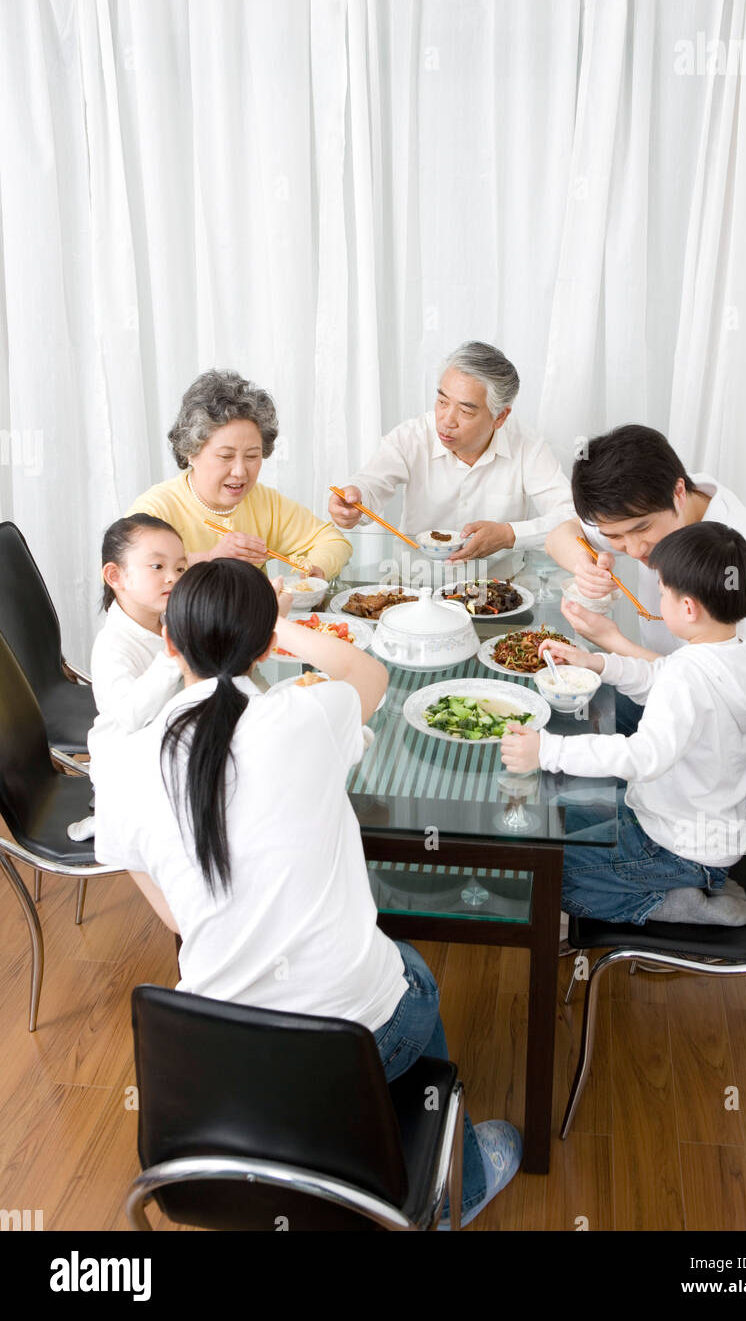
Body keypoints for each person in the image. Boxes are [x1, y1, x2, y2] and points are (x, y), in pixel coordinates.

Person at [94, 559, 521, 1227]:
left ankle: (310, 1156)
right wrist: (279, 624)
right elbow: (371, 674)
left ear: (169, 643)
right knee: (407, 971)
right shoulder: (305, 713)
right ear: (265, 646)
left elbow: (179, 918)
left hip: (215, 1061)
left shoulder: (122, 767)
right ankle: (454, 1186)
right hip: (354, 1042)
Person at [501, 523, 746, 925]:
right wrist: (597, 663)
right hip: (701, 837)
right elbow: (662, 679)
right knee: (553, 818)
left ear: (689, 608)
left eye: (662, 592)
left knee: (544, 872)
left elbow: (643, 756)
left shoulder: (689, 675)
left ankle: (675, 903)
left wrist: (547, 750)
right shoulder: (741, 655)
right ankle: (705, 880)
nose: (658, 599)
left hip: (672, 845)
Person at [545, 425, 746, 800]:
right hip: (669, 697)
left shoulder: (740, 570)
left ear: (678, 493)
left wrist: (612, 642)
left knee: (568, 802)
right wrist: (583, 567)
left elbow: (717, 697)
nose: (632, 549)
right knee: (555, 706)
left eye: (640, 531)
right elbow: (562, 532)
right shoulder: (658, 503)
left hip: (732, 763)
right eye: (615, 537)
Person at [328, 341, 574, 562]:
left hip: (498, 594)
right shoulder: (413, 436)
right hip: (416, 587)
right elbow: (372, 481)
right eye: (442, 402)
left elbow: (570, 515)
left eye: (465, 411)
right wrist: (354, 498)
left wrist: (509, 534)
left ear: (500, 417)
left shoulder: (527, 446)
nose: (446, 421)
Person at [129, 369, 351, 580]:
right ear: (190, 452)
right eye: (225, 456)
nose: (240, 472)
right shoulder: (158, 508)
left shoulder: (264, 502)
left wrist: (316, 569)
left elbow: (333, 541)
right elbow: (125, 571)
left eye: (252, 456)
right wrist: (210, 558)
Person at [67, 514, 189, 841]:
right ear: (115, 575)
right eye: (157, 567)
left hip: (166, 745)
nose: (172, 578)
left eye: (180, 568)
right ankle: (109, 817)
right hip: (128, 768)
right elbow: (131, 713)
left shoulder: (165, 620)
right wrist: (173, 654)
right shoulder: (112, 645)